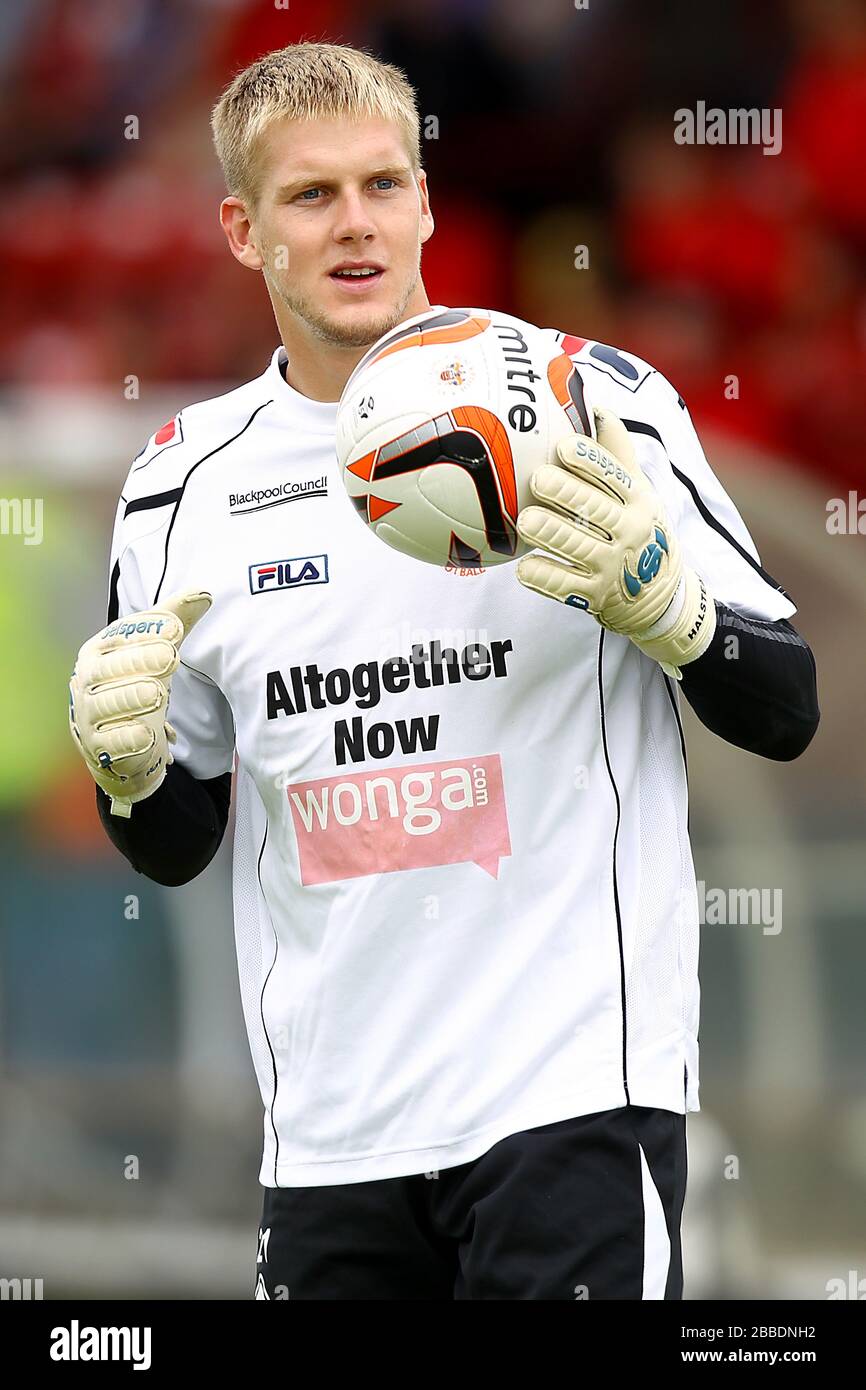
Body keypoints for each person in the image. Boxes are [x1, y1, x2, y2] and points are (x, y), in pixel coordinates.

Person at [67, 42, 819, 1301]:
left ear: (425, 200)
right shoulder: (178, 482)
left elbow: (784, 703)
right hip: (328, 1132)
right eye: (311, 197)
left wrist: (673, 611)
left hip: (572, 1101)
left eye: (382, 185)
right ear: (243, 232)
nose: (356, 225)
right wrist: (129, 769)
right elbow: (173, 837)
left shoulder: (595, 403)